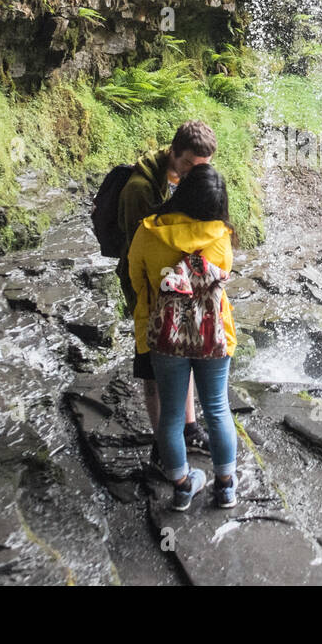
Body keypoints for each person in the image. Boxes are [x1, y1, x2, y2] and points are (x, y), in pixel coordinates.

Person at [129, 163, 239, 510]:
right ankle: (225, 487)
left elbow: (137, 279)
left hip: (166, 336)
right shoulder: (220, 236)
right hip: (213, 335)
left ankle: (181, 485)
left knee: (173, 414)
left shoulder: (148, 232)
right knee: (218, 408)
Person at [117, 121, 218, 453]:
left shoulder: (185, 177)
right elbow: (136, 254)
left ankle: (187, 427)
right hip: (148, 291)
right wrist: (147, 306)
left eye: (200, 168)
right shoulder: (139, 190)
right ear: (173, 151)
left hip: (180, 286)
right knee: (152, 366)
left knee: (181, 352)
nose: (193, 174)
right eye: (188, 164)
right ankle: (163, 445)